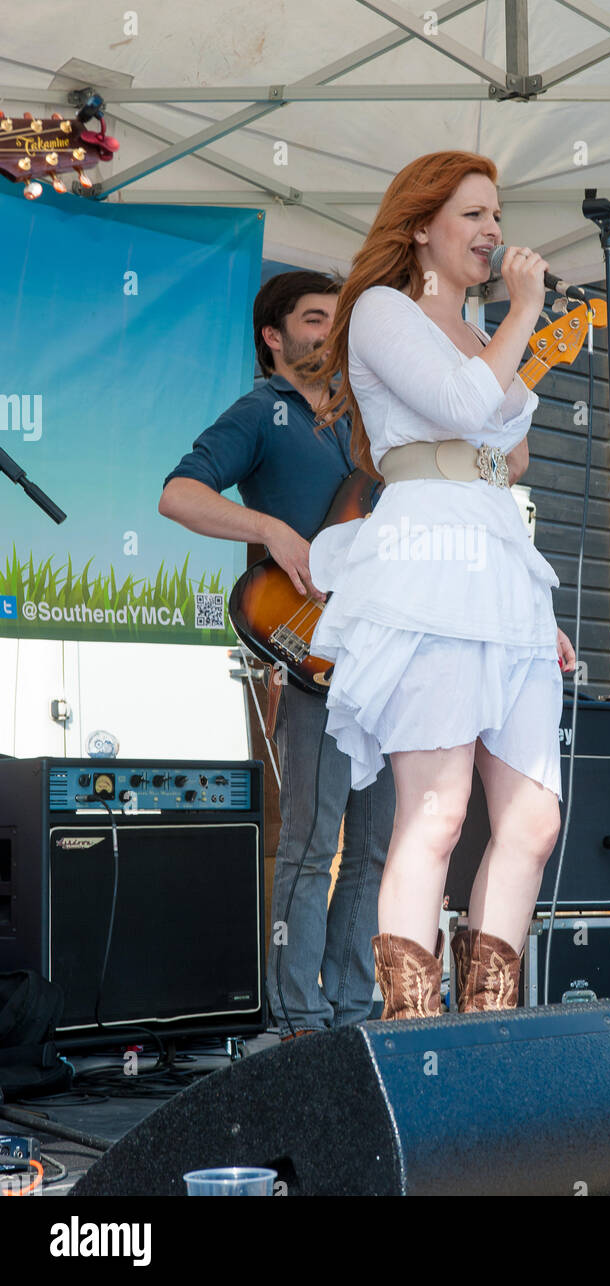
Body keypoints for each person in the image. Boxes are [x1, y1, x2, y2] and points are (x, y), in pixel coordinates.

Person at [304, 150, 577, 1020]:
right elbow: (461, 413)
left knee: (532, 820)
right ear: (422, 225)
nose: (492, 231)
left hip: (496, 564)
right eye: (471, 215)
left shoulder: (481, 332)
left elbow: (503, 457)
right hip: (425, 563)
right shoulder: (383, 311)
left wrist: (528, 612)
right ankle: (412, 1035)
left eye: (497, 215)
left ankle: (489, 1024)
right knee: (436, 813)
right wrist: (525, 309)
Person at [158, 270, 396, 1038]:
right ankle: (298, 1019)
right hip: (311, 652)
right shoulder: (262, 410)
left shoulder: (367, 421)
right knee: (311, 842)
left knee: (375, 848)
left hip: (384, 654)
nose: (331, 330)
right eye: (315, 318)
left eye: (338, 318)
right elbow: (178, 494)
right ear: (274, 334)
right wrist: (268, 531)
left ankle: (353, 1011)